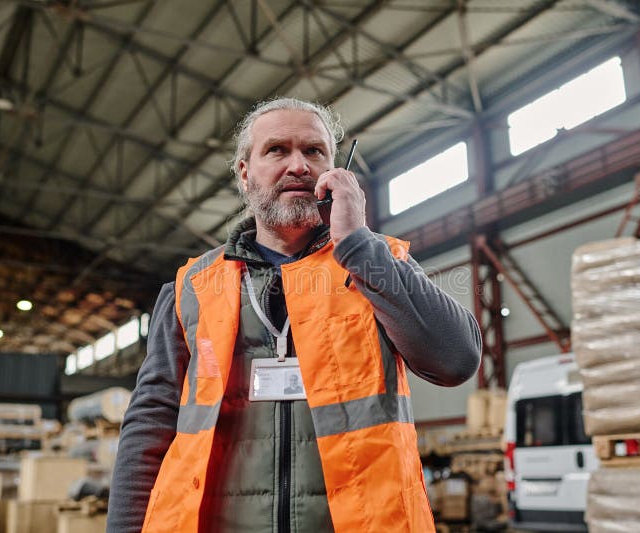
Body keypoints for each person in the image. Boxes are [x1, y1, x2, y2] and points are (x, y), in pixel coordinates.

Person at [108, 97, 482, 533]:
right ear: (245, 173)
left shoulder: (377, 263)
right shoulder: (191, 287)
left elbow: (456, 360)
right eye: (277, 150)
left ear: (334, 170)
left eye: (314, 151)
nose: (299, 165)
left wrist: (357, 244)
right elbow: (149, 422)